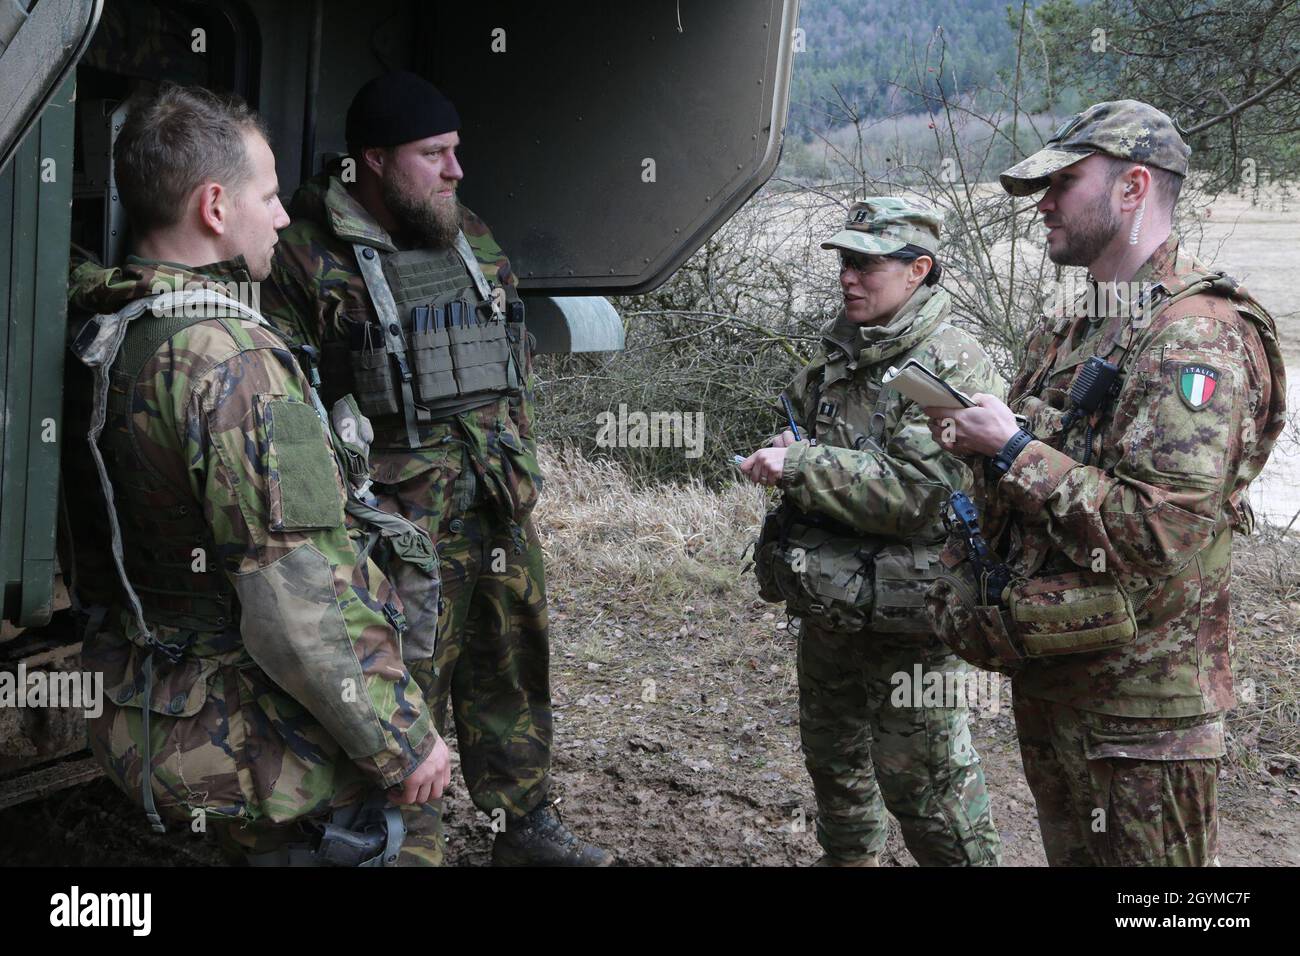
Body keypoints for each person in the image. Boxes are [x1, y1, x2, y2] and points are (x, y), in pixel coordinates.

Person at [63, 84, 449, 866]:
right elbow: (298, 593)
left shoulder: (110, 327)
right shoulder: (231, 361)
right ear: (214, 206)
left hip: (155, 707)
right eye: (268, 196)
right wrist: (402, 742)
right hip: (255, 739)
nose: (282, 216)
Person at [922, 100, 1287, 866]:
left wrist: (1014, 448)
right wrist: (977, 446)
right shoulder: (1075, 329)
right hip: (1060, 682)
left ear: (1133, 189)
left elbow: (1161, 530)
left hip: (1143, 720)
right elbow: (1045, 487)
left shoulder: (1196, 336)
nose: (1045, 204)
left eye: (1064, 182)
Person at [261, 71, 611, 865]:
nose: (456, 169)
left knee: (512, 663)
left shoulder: (469, 237)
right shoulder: (303, 257)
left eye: (456, 151)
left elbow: (509, 365)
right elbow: (282, 401)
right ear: (375, 160)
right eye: (436, 153)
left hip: (495, 501)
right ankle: (397, 842)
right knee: (404, 685)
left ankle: (523, 824)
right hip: (399, 530)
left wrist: (518, 474)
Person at [742, 198, 1005, 866]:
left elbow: (924, 493)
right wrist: (794, 449)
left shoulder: (948, 364)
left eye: (866, 264)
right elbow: (836, 446)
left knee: (927, 789)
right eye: (844, 262)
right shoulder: (846, 352)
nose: (848, 278)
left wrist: (803, 463)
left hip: (910, 619)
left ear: (918, 270)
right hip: (833, 606)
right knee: (836, 767)